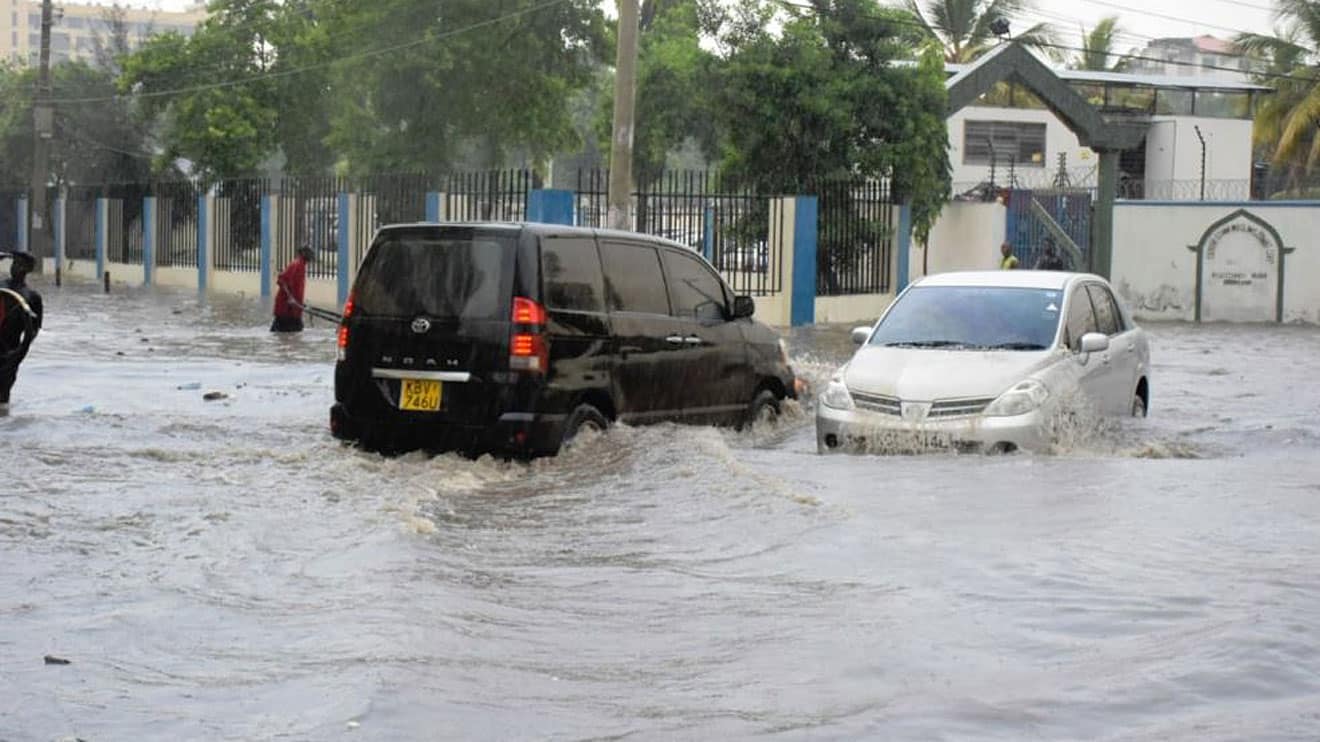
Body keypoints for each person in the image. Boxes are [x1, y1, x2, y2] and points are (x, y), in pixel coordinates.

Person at [0, 251, 43, 415]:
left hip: (11, 350)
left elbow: (34, 329)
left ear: (28, 269)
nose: (15, 268)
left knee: (3, 390)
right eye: (13, 263)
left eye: (20, 265)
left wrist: (19, 353)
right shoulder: (1, 285)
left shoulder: (32, 297)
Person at [271, 245, 315, 333]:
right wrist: (290, 298)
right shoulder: (297, 264)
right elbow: (282, 280)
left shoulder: (301, 265)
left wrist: (300, 302)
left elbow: (296, 288)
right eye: (309, 253)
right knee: (293, 332)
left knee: (292, 333)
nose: (311, 256)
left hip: (293, 309)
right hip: (286, 308)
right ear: (303, 253)